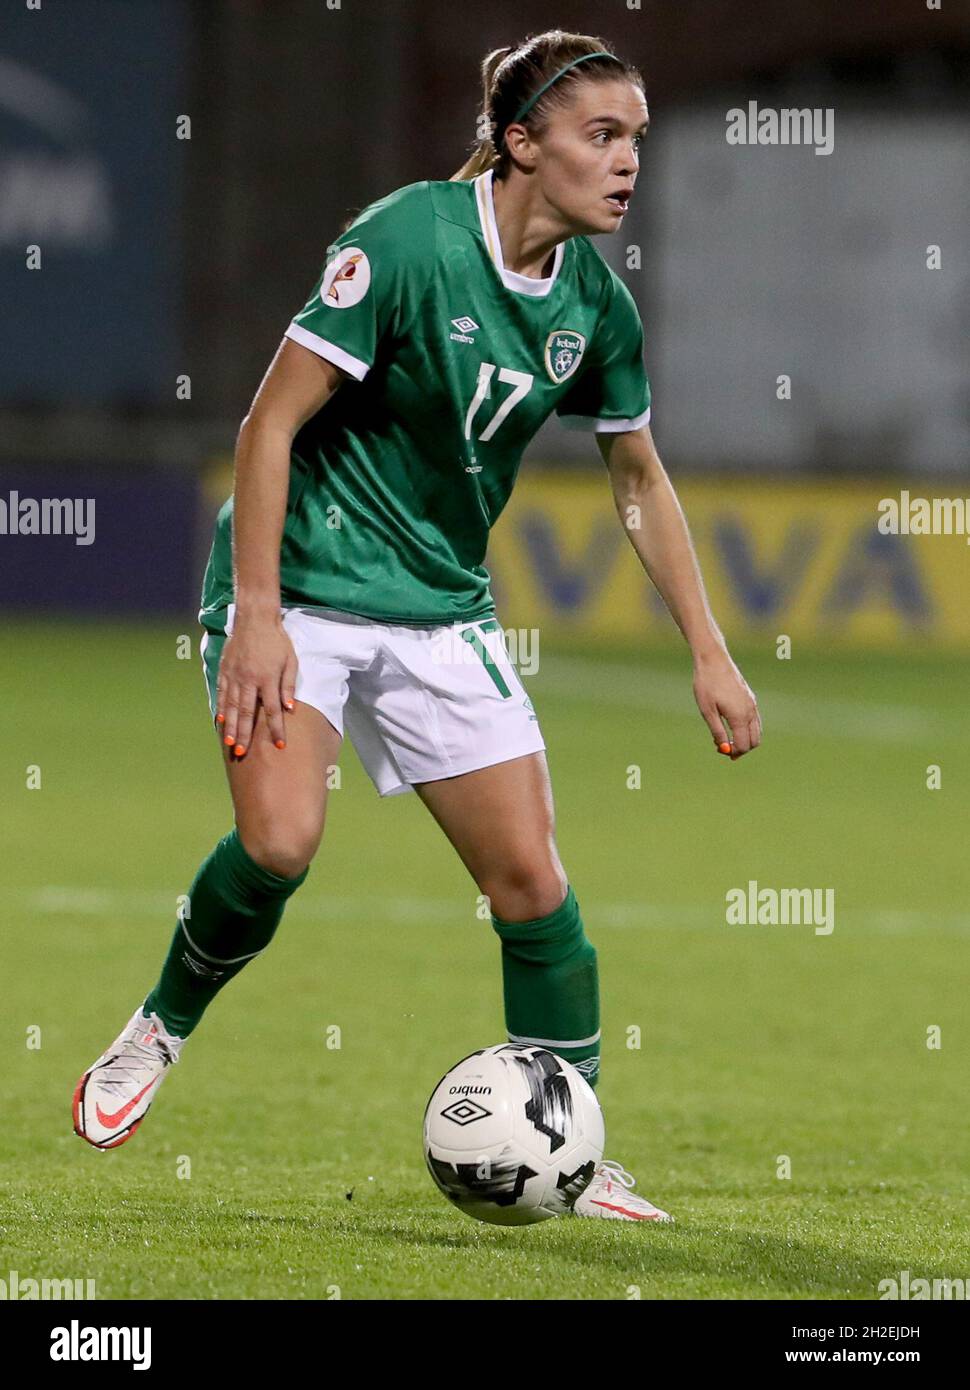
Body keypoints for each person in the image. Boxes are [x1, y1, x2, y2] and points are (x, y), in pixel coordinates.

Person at [74, 29, 761, 1223]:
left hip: (439, 607)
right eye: (602, 135)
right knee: (282, 844)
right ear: (519, 143)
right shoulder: (402, 241)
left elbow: (638, 477)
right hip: (300, 586)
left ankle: (570, 1145)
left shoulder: (594, 306)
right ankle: (156, 1028)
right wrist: (257, 617)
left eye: (636, 140)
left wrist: (708, 647)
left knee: (533, 885)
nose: (627, 162)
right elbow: (266, 427)